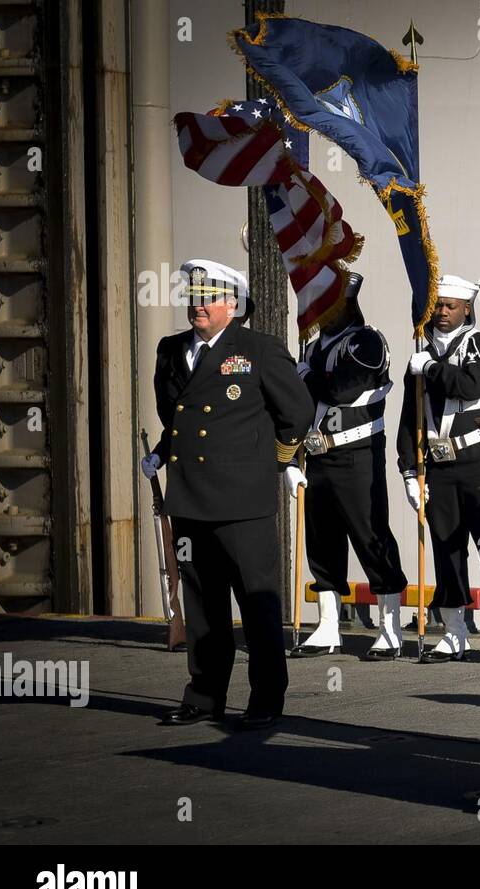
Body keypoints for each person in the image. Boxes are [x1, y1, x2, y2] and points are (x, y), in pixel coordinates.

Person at [141, 259, 313, 729]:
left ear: (232, 305)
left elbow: (296, 412)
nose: (197, 305)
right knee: (201, 605)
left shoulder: (258, 348)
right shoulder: (171, 349)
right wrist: (161, 451)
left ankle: (265, 700)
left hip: (243, 499)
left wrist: (276, 462)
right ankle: (204, 695)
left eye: (208, 297)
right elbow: (176, 417)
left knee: (257, 603)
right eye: (193, 296)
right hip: (191, 497)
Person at [287, 272, 409, 660]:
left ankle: (390, 628)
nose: (321, 314)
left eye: (328, 306)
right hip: (317, 454)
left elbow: (343, 389)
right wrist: (289, 458)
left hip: (356, 454)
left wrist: (305, 376)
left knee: (371, 536)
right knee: (321, 543)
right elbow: (295, 405)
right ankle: (327, 626)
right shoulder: (313, 348)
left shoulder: (367, 341)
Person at [396, 274, 480, 661]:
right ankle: (454, 630)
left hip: (479, 463)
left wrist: (432, 369)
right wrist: (409, 469)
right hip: (438, 466)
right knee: (446, 547)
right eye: (438, 305)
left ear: (467, 308)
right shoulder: (421, 353)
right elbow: (411, 419)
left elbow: (470, 385)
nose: (442, 312)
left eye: (450, 306)